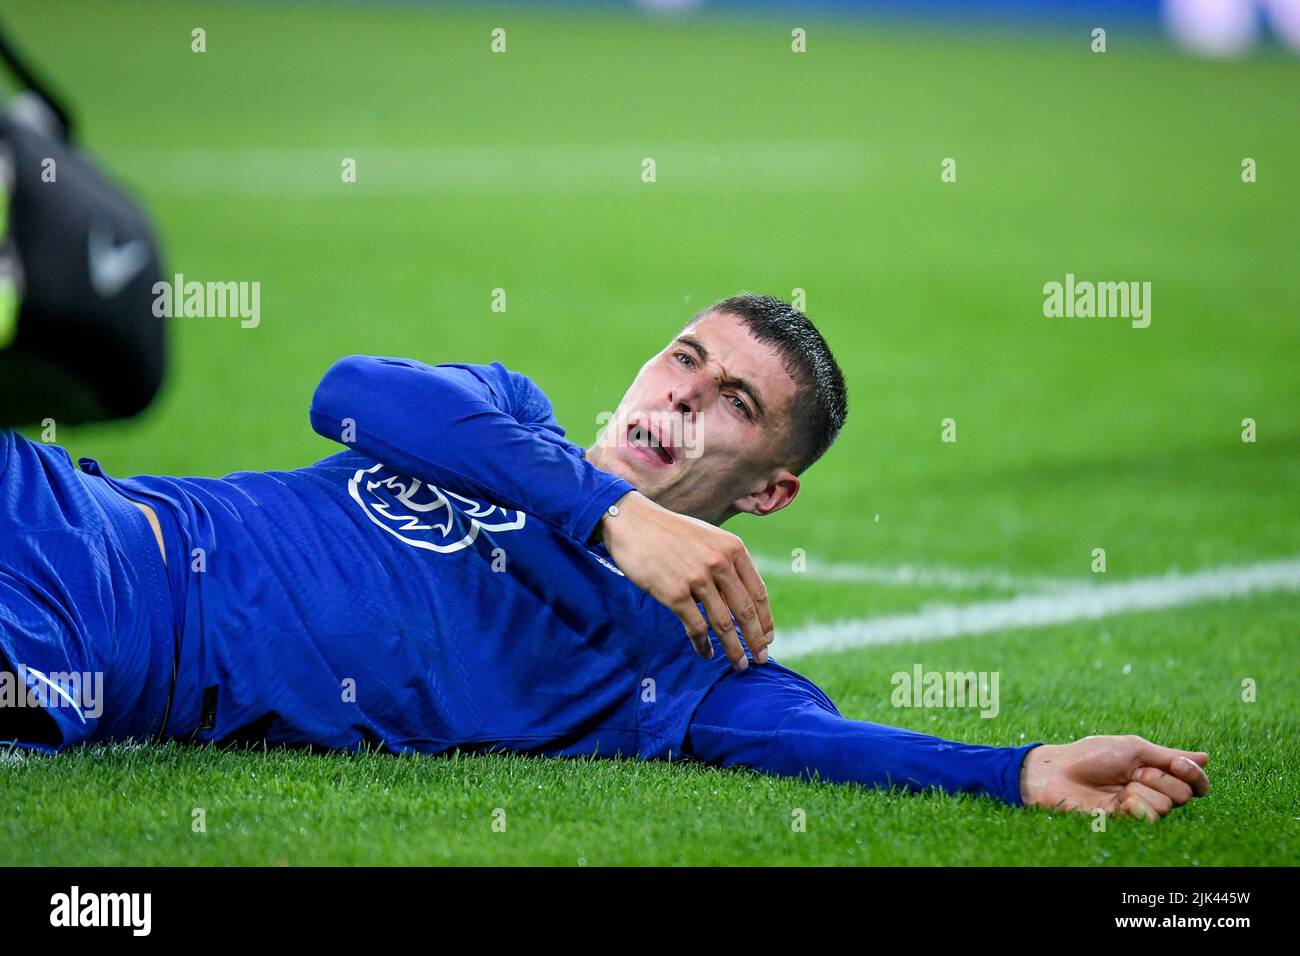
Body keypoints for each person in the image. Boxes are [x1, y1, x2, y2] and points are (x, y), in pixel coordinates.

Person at [0, 294, 1209, 820]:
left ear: (770, 488)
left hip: (91, 644)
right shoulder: (501, 416)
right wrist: (603, 510)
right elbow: (348, 392)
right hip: (62, 500)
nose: (681, 394)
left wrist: (1017, 767)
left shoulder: (690, 668)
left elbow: (828, 743)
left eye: (732, 400)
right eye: (683, 356)